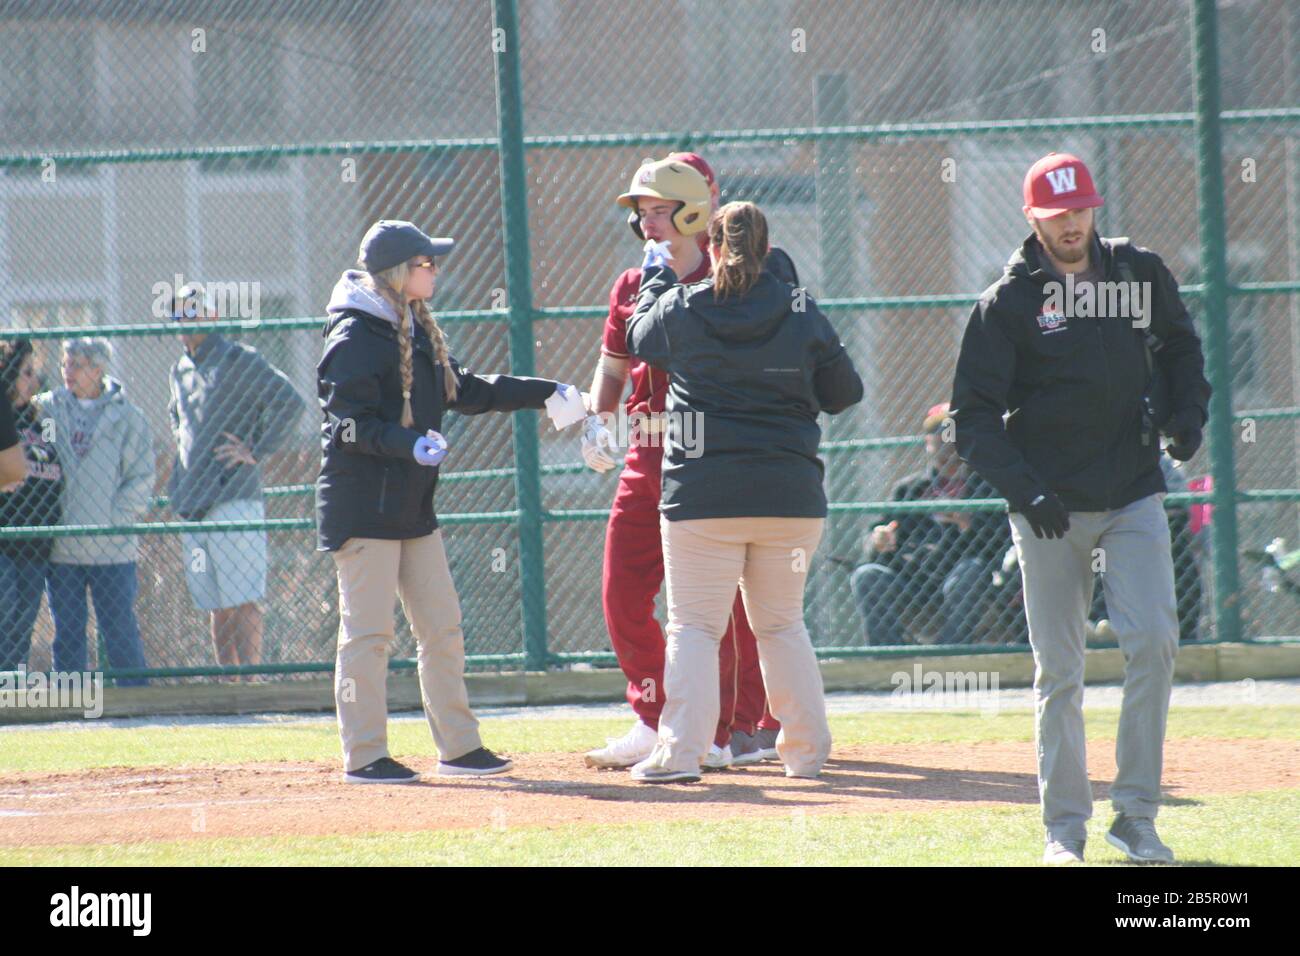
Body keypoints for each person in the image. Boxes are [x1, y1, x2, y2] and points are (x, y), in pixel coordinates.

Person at [950, 152, 1211, 864]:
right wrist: (1025, 490)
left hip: (1133, 492)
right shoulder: (1007, 302)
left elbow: (1181, 346)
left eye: (1080, 211)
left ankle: (1136, 817)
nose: (1071, 225)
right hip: (1049, 509)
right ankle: (1065, 830)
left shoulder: (1137, 274)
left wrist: (1188, 413)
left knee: (1153, 641)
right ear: (1032, 218)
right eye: (1056, 215)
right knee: (1060, 671)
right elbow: (972, 419)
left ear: (1095, 209)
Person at [318, 219, 574, 784]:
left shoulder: (414, 327)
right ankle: (364, 755)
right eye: (426, 263)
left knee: (442, 627)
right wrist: (407, 442)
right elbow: (346, 427)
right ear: (399, 272)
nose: (435, 271)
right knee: (369, 636)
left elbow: (472, 390)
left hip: (412, 509)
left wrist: (548, 392)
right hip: (363, 509)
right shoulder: (355, 335)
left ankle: (459, 749)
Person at [625, 200, 863, 783]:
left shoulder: (684, 303)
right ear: (767, 248)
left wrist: (656, 275)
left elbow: (639, 337)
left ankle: (682, 754)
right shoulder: (800, 307)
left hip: (703, 496)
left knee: (694, 628)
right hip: (790, 495)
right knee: (782, 626)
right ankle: (805, 755)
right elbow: (844, 393)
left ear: (711, 248)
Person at [582, 153, 793, 771]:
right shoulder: (631, 283)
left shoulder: (728, 277)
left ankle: (728, 727)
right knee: (622, 591)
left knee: (717, 607)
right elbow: (613, 367)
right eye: (641, 211)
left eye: (659, 209)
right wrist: (598, 418)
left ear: (695, 210)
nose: (647, 222)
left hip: (705, 453)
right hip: (647, 452)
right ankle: (654, 714)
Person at [167, 282, 306, 678]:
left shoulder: (239, 359)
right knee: (216, 604)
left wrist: (255, 450)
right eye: (178, 313)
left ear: (212, 315)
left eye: (192, 311)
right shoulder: (179, 369)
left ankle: (252, 683)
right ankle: (229, 688)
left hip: (234, 497)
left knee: (244, 598)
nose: (184, 319)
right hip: (193, 501)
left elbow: (290, 403)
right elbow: (176, 419)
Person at [38, 338, 154, 684]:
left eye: (76, 364)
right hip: (62, 546)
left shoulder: (128, 418)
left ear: (98, 369)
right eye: (65, 363)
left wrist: (115, 519)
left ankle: (136, 700)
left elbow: (142, 478)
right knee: (68, 631)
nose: (67, 371)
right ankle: (70, 699)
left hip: (112, 547)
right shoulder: (48, 409)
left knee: (119, 628)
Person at [850, 402, 1010, 645]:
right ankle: (888, 654)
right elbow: (880, 530)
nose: (945, 441)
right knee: (867, 575)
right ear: (928, 441)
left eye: (951, 433)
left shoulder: (986, 487)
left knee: (971, 571)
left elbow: (1000, 546)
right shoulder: (910, 488)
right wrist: (878, 539)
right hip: (913, 580)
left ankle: (949, 650)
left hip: (960, 577)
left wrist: (967, 524)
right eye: (938, 433)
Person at [0, 339, 62, 670]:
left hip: (36, 543)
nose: (34, 380)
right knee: (5, 608)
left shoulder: (41, 419)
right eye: (26, 372)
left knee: (22, 624)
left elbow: (56, 466)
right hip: (5, 540)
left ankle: (12, 685)